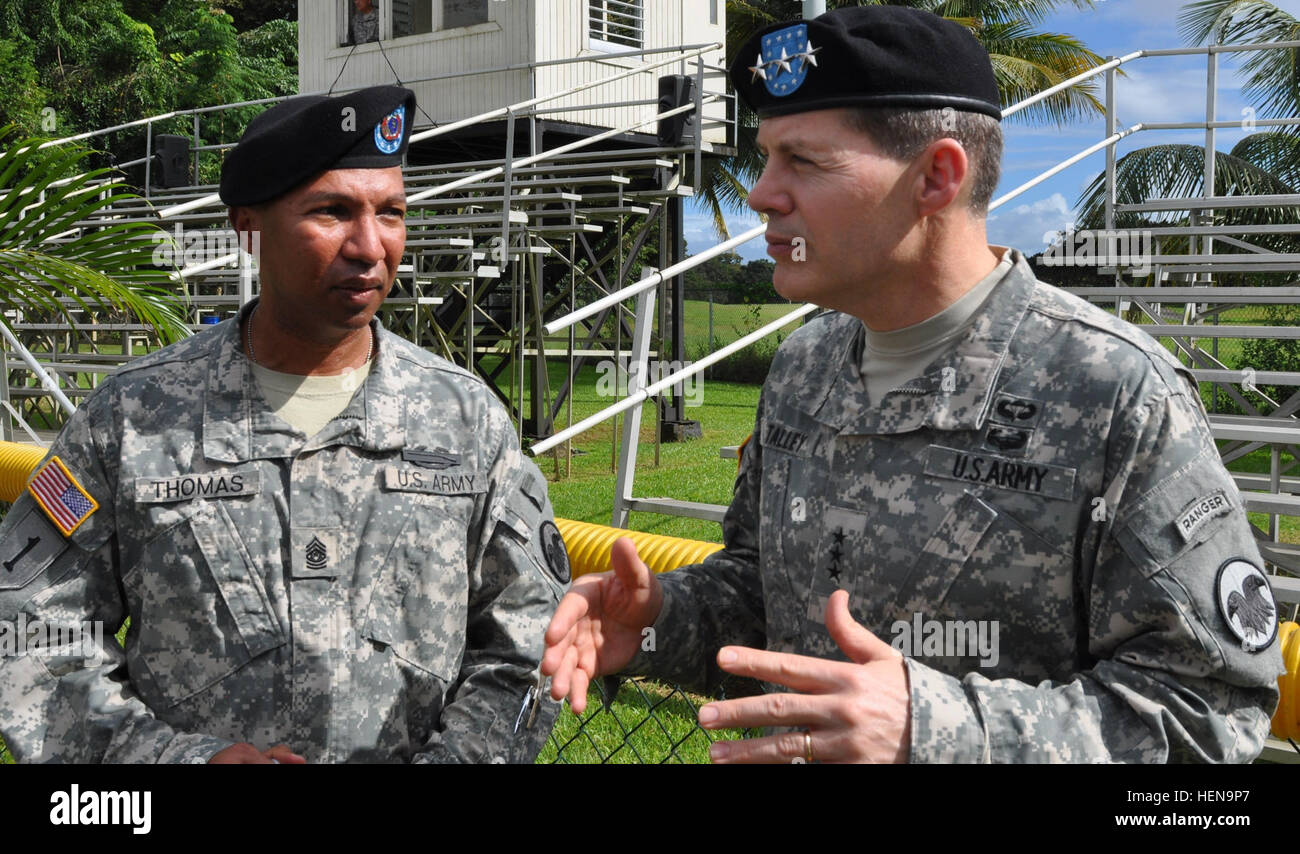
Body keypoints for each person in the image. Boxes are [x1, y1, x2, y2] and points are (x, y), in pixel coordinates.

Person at [542, 6, 1283, 763]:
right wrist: (662, 619)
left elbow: (1211, 712)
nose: (761, 194)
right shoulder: (805, 365)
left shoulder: (1116, 390)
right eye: (766, 158)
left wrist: (935, 731)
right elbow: (765, 602)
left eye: (803, 160)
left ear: (936, 176)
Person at [0, 85, 569, 763]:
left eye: (391, 213)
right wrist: (176, 760)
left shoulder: (464, 419)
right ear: (248, 224)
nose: (369, 245)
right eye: (331, 212)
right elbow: (29, 630)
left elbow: (530, 635)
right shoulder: (134, 418)